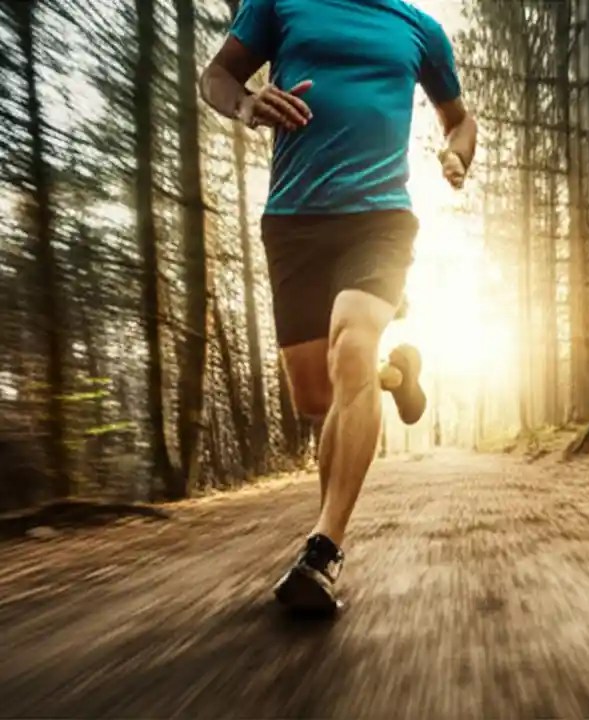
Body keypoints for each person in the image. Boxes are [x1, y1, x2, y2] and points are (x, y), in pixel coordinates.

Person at [199, 0, 478, 614]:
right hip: (294, 222)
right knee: (315, 397)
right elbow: (215, 75)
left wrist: (457, 155)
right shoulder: (279, 4)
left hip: (379, 219)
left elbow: (459, 119)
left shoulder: (419, 29)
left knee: (351, 342)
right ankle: (395, 372)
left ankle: (322, 552)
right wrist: (246, 103)